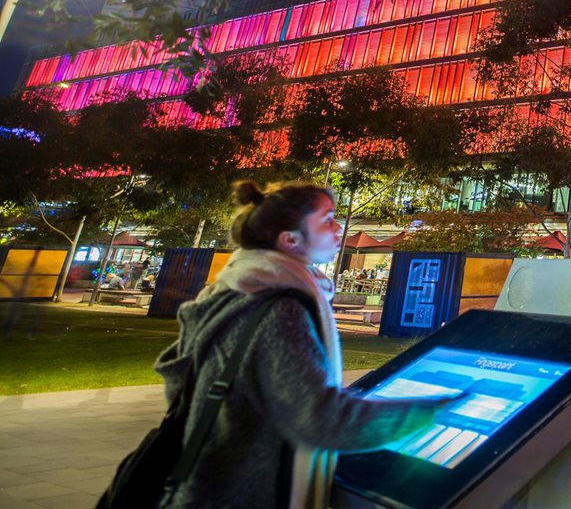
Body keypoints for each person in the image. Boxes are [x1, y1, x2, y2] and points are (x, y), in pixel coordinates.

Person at [154, 181, 455, 509]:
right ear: (290, 240)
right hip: (250, 493)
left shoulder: (229, 292)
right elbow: (322, 421)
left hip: (204, 483)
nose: (338, 227)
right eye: (327, 219)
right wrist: (431, 412)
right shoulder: (281, 309)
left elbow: (181, 383)